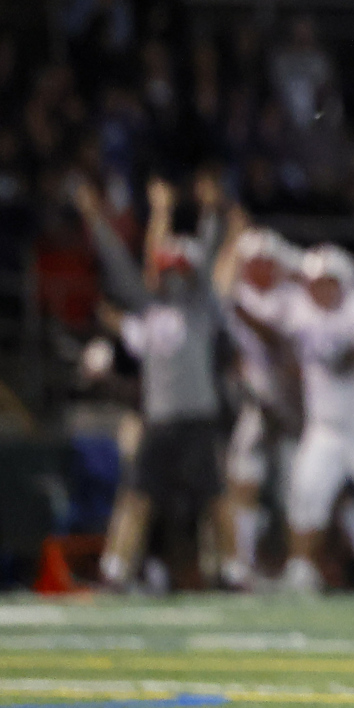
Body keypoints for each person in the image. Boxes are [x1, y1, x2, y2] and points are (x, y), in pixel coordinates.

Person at [77, 176, 224, 590]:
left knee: (215, 499)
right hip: (159, 420)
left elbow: (208, 255)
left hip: (197, 415)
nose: (171, 277)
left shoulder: (200, 306)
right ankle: (115, 571)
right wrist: (96, 216)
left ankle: (230, 570)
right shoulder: (148, 306)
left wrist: (210, 214)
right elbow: (120, 260)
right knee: (137, 498)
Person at [251, 244, 354, 603]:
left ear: (346, 281)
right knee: (305, 495)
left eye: (328, 282)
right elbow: (272, 332)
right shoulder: (299, 310)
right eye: (314, 283)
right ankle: (301, 571)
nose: (319, 290)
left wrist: (337, 356)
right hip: (326, 427)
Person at [211, 223, 302, 589]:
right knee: (242, 477)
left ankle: (311, 566)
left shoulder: (293, 298)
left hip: (297, 412)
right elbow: (217, 286)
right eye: (251, 261)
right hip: (256, 406)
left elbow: (284, 346)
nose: (257, 268)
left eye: (264, 261)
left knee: (302, 494)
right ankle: (242, 565)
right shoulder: (239, 295)